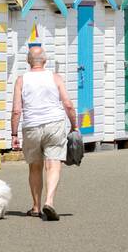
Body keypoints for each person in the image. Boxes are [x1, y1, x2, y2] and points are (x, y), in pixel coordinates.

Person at [10, 44, 77, 220]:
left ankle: (35, 206)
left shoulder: (21, 80)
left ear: (27, 61)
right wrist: (74, 125)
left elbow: (17, 110)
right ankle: (49, 202)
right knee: (53, 164)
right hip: (54, 124)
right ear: (45, 61)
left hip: (31, 126)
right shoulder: (55, 78)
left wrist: (14, 134)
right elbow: (68, 104)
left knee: (35, 166)